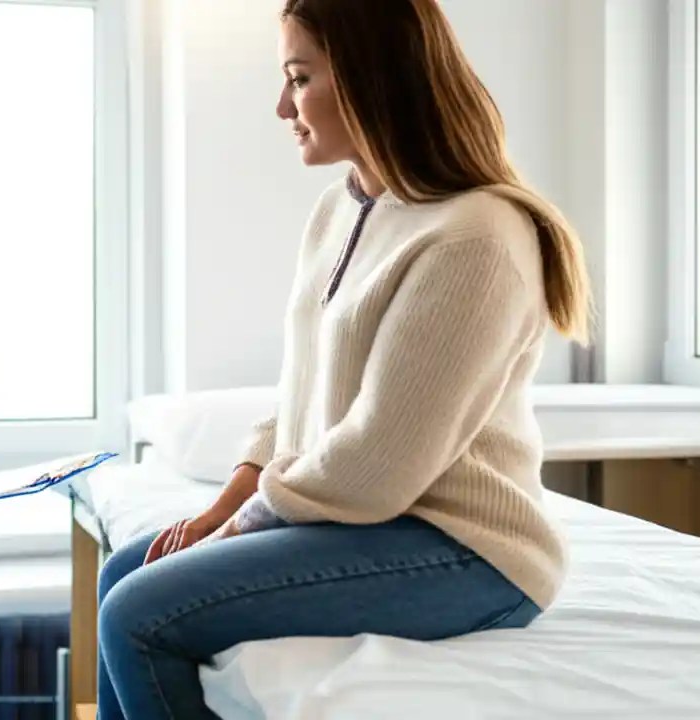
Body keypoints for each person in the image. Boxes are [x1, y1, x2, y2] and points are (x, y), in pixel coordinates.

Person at [95, 1, 592, 718]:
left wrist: (241, 530)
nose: (281, 106)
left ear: (369, 78)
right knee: (124, 571)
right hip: (366, 523)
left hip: (465, 551)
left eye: (299, 78)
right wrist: (219, 511)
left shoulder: (475, 236)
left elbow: (377, 467)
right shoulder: (341, 207)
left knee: (139, 613)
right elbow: (304, 400)